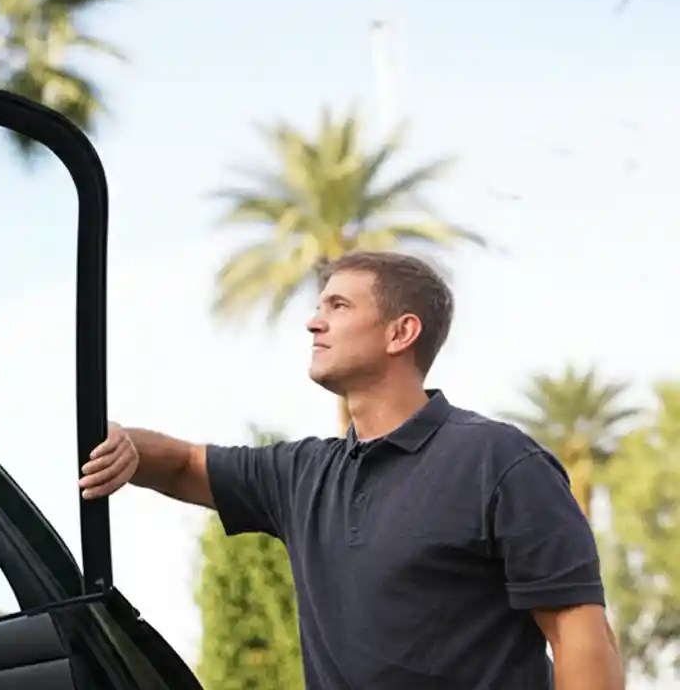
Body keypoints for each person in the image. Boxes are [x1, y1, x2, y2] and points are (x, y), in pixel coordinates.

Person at [79, 250, 625, 689]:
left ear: (400, 333)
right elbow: (184, 464)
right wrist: (127, 443)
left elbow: (579, 633)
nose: (313, 322)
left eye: (338, 306)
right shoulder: (300, 474)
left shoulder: (500, 461)